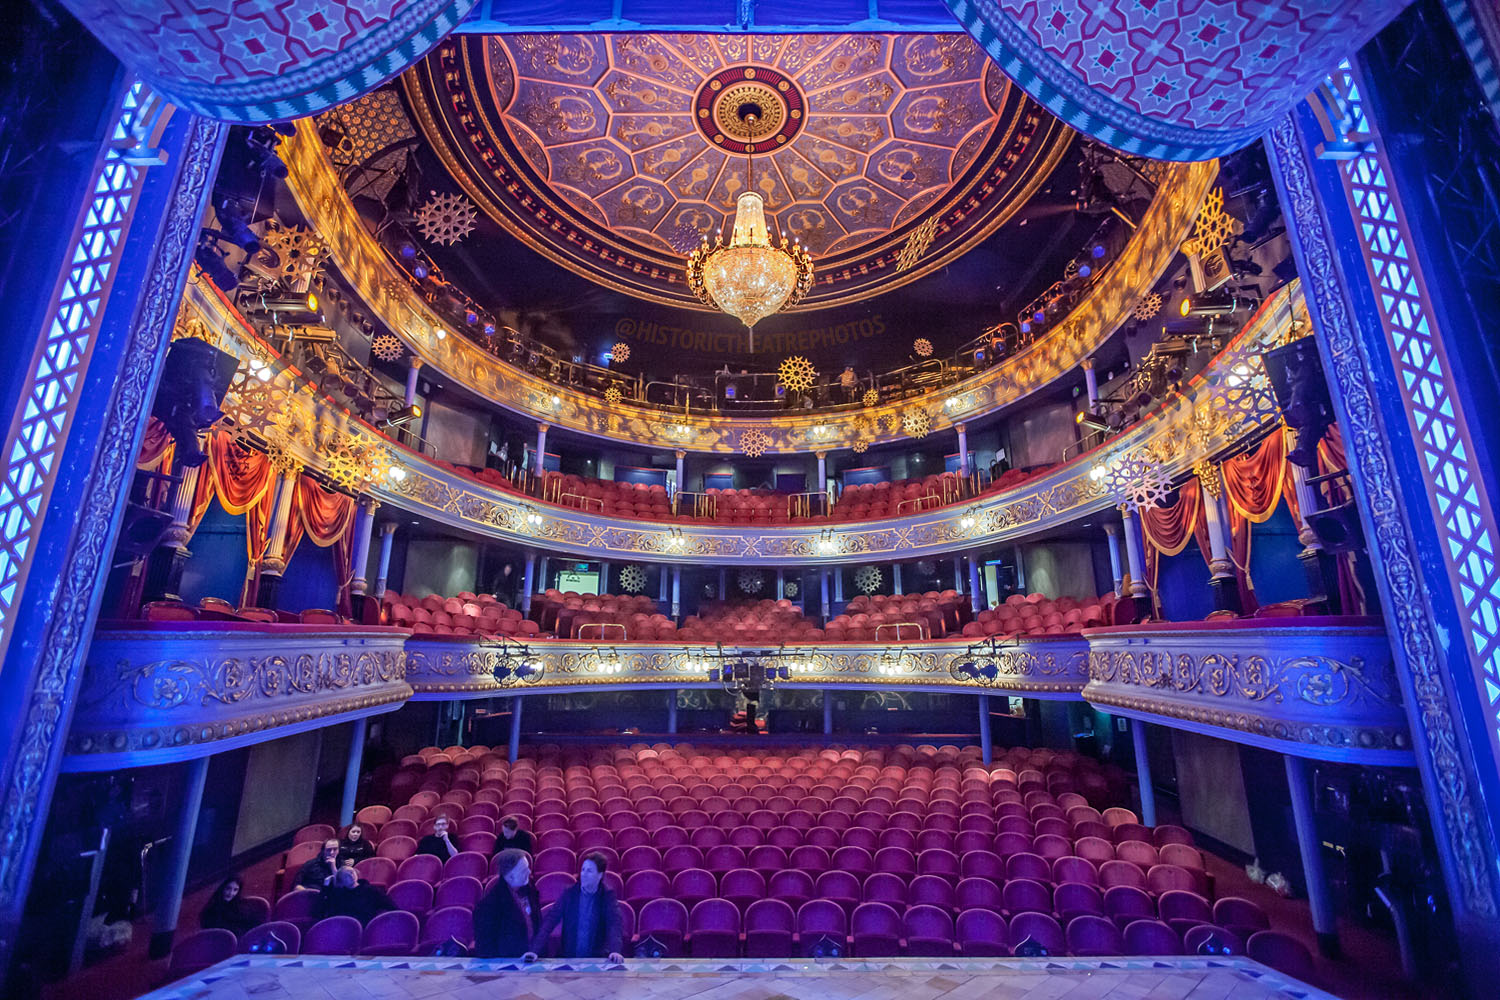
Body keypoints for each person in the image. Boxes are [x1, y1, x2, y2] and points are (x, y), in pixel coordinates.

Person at [523, 853, 623, 963]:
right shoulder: (570, 893)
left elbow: (614, 924)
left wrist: (615, 950)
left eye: (589, 871)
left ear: (600, 875)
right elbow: (550, 920)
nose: (584, 874)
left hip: (595, 958)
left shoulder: (607, 895)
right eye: (583, 870)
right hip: (568, 956)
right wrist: (534, 950)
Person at [473, 849, 539, 958]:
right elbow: (485, 948)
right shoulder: (489, 905)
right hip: (508, 962)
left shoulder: (530, 889)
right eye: (524, 870)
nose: (529, 872)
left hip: (532, 957)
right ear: (510, 877)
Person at [314, 866, 396, 924]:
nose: (350, 875)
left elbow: (389, 905)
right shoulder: (339, 894)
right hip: (344, 927)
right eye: (345, 875)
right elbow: (320, 909)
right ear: (341, 881)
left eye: (351, 872)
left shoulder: (371, 890)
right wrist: (325, 886)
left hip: (366, 925)